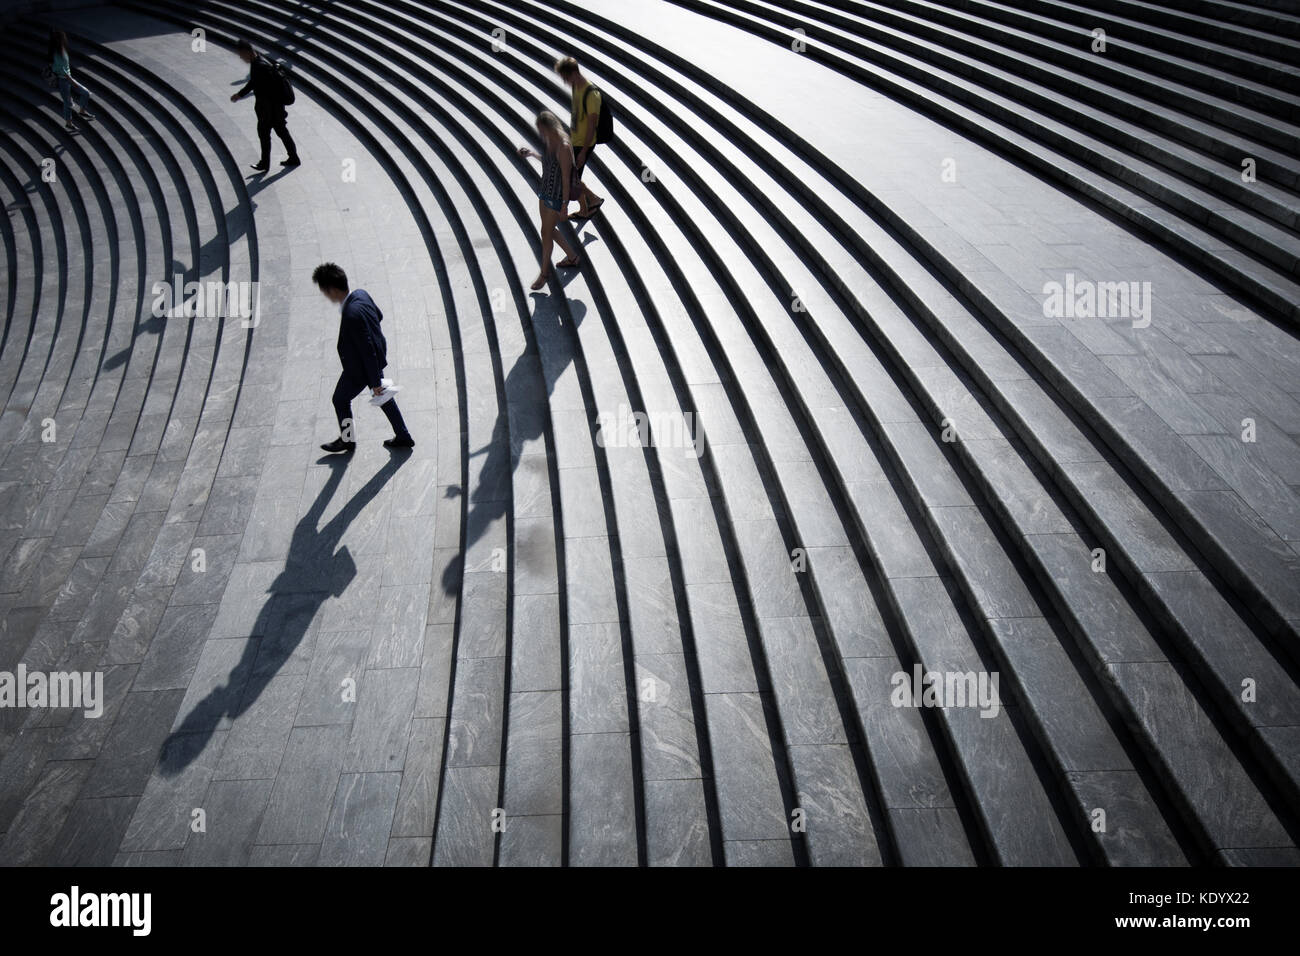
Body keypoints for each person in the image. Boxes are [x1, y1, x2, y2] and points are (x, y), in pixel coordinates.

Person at [312, 262, 414, 452]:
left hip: (360, 368)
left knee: (340, 400)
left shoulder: (351, 314)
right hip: (374, 360)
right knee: (384, 397)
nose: (325, 296)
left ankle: (347, 440)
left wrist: (373, 380)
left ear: (332, 290)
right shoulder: (361, 294)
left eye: (324, 291)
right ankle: (403, 435)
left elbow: (366, 350)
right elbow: (379, 315)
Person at [517, 111, 582, 290]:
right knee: (547, 230)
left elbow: (566, 178)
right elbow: (547, 162)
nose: (541, 134)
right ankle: (572, 256)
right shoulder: (550, 141)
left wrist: (564, 205)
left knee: (546, 233)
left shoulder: (563, 146)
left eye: (542, 130)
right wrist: (531, 154)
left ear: (550, 127)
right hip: (545, 190)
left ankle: (544, 274)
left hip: (557, 196)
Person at [230, 38, 299, 171]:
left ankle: (266, 163)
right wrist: (240, 95)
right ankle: (291, 158)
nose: (241, 58)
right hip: (272, 109)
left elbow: (261, 86)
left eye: (241, 55)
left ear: (247, 52)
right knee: (280, 133)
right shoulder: (259, 61)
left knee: (266, 134)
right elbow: (254, 82)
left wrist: (240, 95)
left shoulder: (260, 66)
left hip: (269, 110)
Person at [555, 56, 605, 220]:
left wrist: (583, 151)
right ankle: (585, 208)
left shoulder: (592, 95)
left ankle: (594, 199)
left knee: (570, 177)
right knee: (573, 177)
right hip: (574, 140)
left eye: (566, 78)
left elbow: (592, 126)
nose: (565, 82)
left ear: (574, 73)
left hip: (584, 144)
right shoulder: (577, 86)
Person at [48, 30, 95, 132]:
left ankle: (82, 111)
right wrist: (72, 81)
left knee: (85, 93)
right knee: (68, 102)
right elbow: (61, 70)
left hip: (67, 79)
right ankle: (69, 123)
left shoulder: (62, 49)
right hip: (63, 80)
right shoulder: (57, 52)